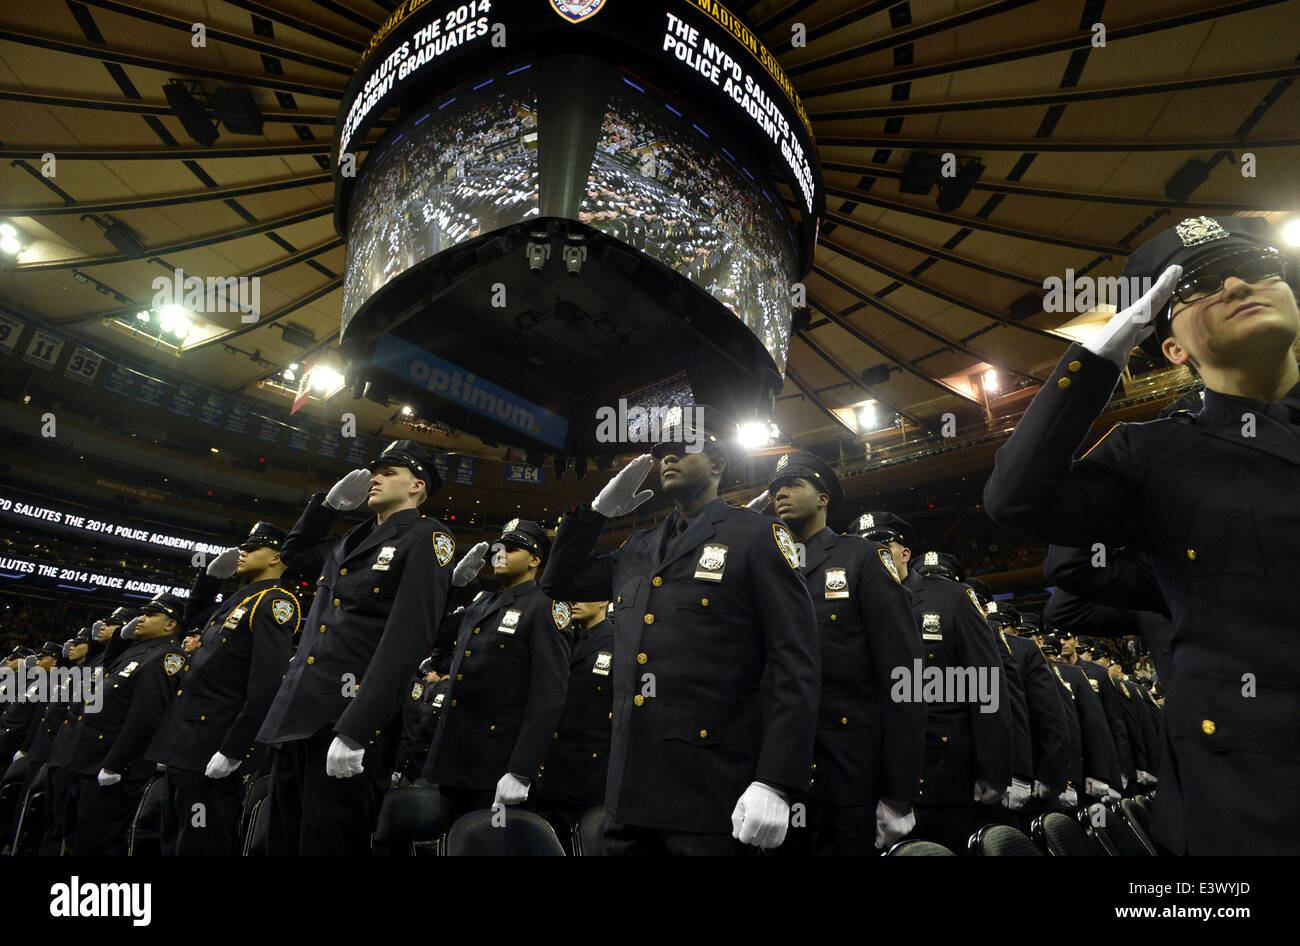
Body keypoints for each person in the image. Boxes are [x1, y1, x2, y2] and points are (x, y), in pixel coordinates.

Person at [983, 215, 1300, 854]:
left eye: (1258, 266)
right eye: (1199, 285)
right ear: (1171, 348)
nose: (1237, 283)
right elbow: (1015, 499)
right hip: (1253, 795)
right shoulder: (1150, 453)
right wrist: (1100, 355)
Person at [540, 406, 820, 854]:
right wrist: (595, 515)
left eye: (681, 449)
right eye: (662, 453)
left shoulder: (756, 535)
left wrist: (776, 779)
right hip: (628, 789)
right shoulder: (639, 545)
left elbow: (795, 664)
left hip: (711, 791)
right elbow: (557, 583)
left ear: (717, 464)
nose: (667, 458)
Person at [257, 440, 455, 855]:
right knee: (281, 841)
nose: (375, 478)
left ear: (417, 486)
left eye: (389, 472)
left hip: (346, 717)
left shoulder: (427, 536)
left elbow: (408, 638)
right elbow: (291, 555)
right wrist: (327, 507)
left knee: (326, 844)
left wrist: (357, 729)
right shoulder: (350, 539)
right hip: (300, 713)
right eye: (374, 471)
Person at [767, 453, 925, 854]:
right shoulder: (765, 564)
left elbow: (903, 678)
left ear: (824, 497)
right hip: (776, 770)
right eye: (774, 489)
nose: (780, 493)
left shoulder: (861, 558)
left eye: (794, 484)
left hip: (848, 768)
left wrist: (898, 792)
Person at [854, 515, 1013, 853]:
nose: (875, 555)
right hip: (867, 772)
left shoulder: (952, 598)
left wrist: (994, 768)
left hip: (942, 774)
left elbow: (986, 684)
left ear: (904, 554)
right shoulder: (850, 605)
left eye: (884, 547)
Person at [147, 521, 301, 855]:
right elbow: (194, 617)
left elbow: (266, 684)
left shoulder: (274, 602)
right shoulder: (238, 600)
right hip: (186, 742)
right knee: (174, 836)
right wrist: (209, 578)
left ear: (277, 557)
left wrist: (235, 749)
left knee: (202, 840)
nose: (241, 553)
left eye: (252, 548)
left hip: (213, 742)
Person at [422, 519, 572, 825]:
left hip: (498, 764)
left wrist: (521, 768)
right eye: (498, 548)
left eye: (513, 548)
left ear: (535, 559)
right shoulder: (481, 603)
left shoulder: (545, 607)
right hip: (455, 757)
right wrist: (453, 586)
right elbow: (429, 633)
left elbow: (549, 695)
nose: (500, 553)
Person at [65, 592, 186, 856]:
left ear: (170, 624)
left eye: (150, 614)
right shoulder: (137, 651)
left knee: (99, 843)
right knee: (77, 837)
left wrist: (115, 763)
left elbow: (145, 717)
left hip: (112, 764)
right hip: (88, 759)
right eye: (142, 613)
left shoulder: (166, 657)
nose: (141, 618)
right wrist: (121, 637)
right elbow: (105, 665)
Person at [532, 599, 615, 851]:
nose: (574, 602)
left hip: (587, 781)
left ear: (604, 601)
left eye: (583, 595)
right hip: (546, 776)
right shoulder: (561, 639)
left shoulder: (620, 643)